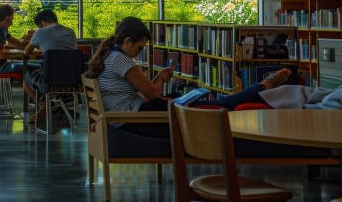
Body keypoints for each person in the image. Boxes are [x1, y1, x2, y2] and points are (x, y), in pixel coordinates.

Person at [84, 16, 293, 138]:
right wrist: (161, 78)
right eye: (139, 48)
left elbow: (147, 92)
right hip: (137, 117)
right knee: (214, 107)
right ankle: (263, 86)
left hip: (133, 114)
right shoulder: (121, 61)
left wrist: (157, 79)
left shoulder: (110, 56)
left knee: (207, 105)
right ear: (127, 41)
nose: (139, 53)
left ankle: (262, 87)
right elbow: (152, 93)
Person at [23, 9, 78, 122]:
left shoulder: (40, 32)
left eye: (39, 26)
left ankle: (43, 105)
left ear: (42, 23)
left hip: (49, 80)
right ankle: (54, 106)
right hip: (72, 81)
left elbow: (26, 52)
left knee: (25, 79)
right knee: (44, 71)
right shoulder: (71, 32)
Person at [0, 4, 33, 75]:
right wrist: (18, 55)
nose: (12, 23)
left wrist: (33, 40)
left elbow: (17, 43)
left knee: (36, 64)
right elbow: (0, 55)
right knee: (35, 67)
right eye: (12, 19)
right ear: (7, 18)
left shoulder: (0, 27)